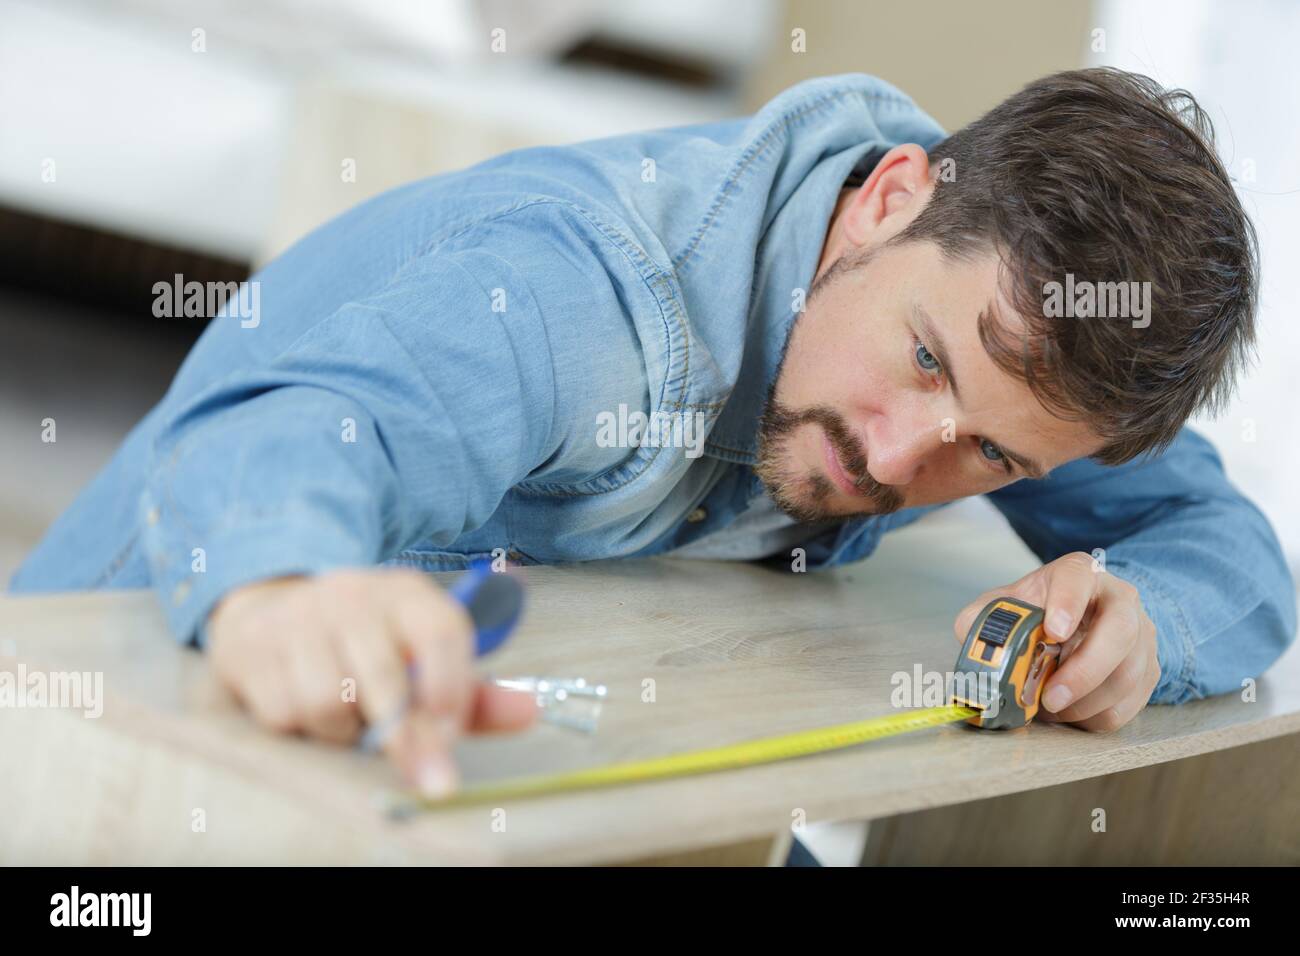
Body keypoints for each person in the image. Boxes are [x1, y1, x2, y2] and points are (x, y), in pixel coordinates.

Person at [11, 71, 1294, 813]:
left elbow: (1238, 557)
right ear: (890, 199)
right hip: (100, 746)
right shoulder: (591, 300)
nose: (902, 461)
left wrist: (1146, 628)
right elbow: (292, 435)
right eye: (920, 360)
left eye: (993, 461)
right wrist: (279, 585)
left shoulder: (1016, 342)